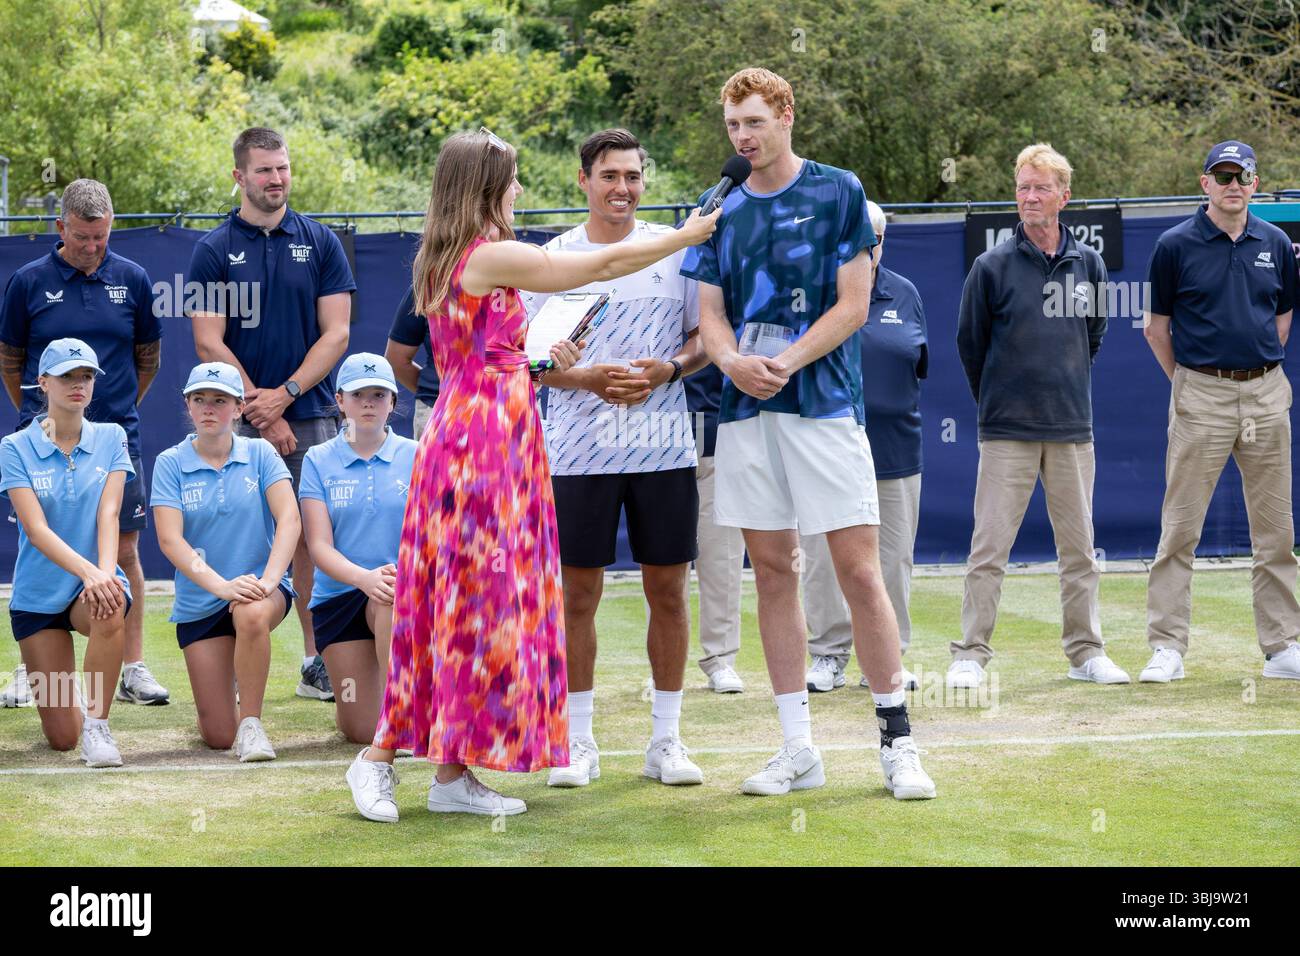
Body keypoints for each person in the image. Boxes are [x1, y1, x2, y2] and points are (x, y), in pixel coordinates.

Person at [344, 128, 718, 823]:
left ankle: (452, 774)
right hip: (477, 452)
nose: (518, 190)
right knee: (455, 608)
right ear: (487, 187)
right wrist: (685, 235)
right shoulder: (487, 255)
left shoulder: (460, 256)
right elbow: (599, 267)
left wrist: (539, 360)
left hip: (495, 440)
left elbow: (489, 360)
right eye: (511, 179)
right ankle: (376, 760)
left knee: (477, 615)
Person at [682, 67, 935, 800]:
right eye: (733, 126)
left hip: (823, 406)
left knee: (859, 571)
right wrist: (732, 361)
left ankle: (898, 743)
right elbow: (710, 313)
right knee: (775, 572)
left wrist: (785, 362)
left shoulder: (838, 190)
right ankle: (798, 749)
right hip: (746, 414)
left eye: (755, 122)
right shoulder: (718, 204)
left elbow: (854, 305)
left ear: (787, 115)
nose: (743, 137)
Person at [520, 128, 713, 789]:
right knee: (578, 595)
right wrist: (589, 378)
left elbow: (704, 338)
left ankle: (667, 743)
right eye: (609, 176)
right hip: (576, 452)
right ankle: (577, 743)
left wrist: (668, 369)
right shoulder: (551, 259)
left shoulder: (675, 251)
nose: (622, 188)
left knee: (668, 592)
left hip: (663, 448)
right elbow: (533, 361)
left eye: (632, 175)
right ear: (583, 181)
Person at [949, 143, 1128, 688]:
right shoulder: (991, 266)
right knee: (988, 551)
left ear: (1063, 196)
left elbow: (1092, 337)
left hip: (1073, 429)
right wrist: (1000, 401)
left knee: (1080, 553)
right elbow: (970, 345)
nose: (1029, 196)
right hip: (1006, 430)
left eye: (1041, 187)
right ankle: (970, 657)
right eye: (1023, 186)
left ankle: (1086, 654)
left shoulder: (1090, 264)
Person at [186, 127, 355, 703]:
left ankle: (317, 661)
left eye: (282, 168)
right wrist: (258, 408)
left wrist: (283, 395)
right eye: (263, 170)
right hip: (234, 420)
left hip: (307, 414)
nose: (276, 179)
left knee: (315, 539)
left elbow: (338, 334)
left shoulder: (321, 242)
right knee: (232, 533)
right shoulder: (213, 249)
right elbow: (209, 343)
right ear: (239, 176)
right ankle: (230, 658)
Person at [0, 179, 167, 710]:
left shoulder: (133, 279)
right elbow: (9, 360)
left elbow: (149, 358)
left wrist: (106, 415)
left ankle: (132, 666)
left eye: (100, 237)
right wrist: (41, 412)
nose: (92, 248)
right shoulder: (27, 282)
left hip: (116, 433)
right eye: (81, 238)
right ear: (60, 228)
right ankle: (32, 668)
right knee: (39, 541)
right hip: (43, 435)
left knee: (123, 549)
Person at [1141, 140, 1300, 682]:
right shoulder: (1174, 245)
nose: (1234, 184)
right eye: (1223, 175)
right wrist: (1191, 384)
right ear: (1204, 182)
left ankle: (1282, 647)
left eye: (1244, 175)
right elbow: (1156, 329)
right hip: (1201, 393)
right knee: (1180, 527)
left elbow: (1281, 320)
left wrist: (1250, 374)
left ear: (1256, 182)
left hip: (1265, 392)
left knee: (1276, 530)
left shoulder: (1276, 242)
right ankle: (1167, 647)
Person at [802, 200, 927, 694]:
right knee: (821, 555)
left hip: (896, 446)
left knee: (894, 557)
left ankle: (889, 659)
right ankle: (828, 656)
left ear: (881, 243)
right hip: (826, 445)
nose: (865, 248)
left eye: (871, 239)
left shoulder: (907, 293)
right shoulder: (816, 291)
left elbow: (915, 363)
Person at [151, 362, 300, 761]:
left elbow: (289, 519)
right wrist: (221, 586)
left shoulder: (260, 452)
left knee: (250, 613)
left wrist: (269, 582)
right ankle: (234, 682)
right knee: (218, 735)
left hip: (259, 591)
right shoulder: (170, 462)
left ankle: (252, 724)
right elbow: (171, 540)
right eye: (200, 399)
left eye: (220, 400)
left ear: (238, 408)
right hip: (202, 601)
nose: (209, 408)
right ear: (188, 405)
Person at [0, 339, 133, 765]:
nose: (79, 384)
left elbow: (109, 515)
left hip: (91, 586)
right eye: (67, 376)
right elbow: (36, 530)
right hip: (37, 597)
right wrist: (91, 572)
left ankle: (99, 725)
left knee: (109, 604)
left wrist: (105, 573)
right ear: (43, 383)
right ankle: (73, 700)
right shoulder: (14, 447)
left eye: (87, 376)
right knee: (61, 738)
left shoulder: (113, 437)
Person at [300, 353, 417, 742]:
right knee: (361, 731)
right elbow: (318, 546)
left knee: (388, 595)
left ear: (393, 403)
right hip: (339, 598)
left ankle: (403, 706)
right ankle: (376, 702)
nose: (368, 403)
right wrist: (364, 578)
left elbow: (429, 536)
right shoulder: (317, 459)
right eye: (358, 394)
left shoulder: (417, 456)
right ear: (340, 400)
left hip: (399, 595)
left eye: (378, 394)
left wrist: (388, 580)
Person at [685, 362, 746, 694]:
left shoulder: (719, 309)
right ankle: (664, 665)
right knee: (664, 565)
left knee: (721, 557)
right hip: (657, 438)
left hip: (718, 434)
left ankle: (721, 660)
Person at [385, 287, 441, 439]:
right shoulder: (430, 283)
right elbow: (396, 360)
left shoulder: (511, 281)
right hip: (436, 408)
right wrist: (434, 391)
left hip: (504, 407)